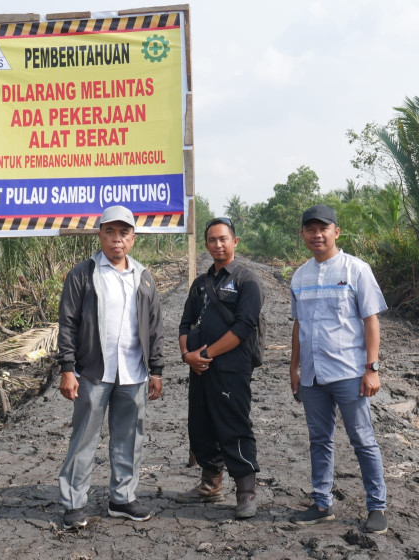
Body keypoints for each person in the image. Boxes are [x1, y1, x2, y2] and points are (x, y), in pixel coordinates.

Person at [57, 205, 164, 528]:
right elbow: (67, 323)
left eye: (124, 233)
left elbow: (155, 326)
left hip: (133, 372)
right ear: (100, 234)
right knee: (84, 438)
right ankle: (75, 503)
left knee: (130, 437)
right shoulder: (83, 274)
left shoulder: (143, 277)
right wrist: (66, 367)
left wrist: (156, 370)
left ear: (133, 238)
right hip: (93, 372)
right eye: (110, 232)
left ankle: (122, 498)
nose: (117, 239)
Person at [289, 204, 389, 534]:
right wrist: (295, 368)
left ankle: (377, 507)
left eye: (323, 228)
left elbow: (370, 321)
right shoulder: (300, 276)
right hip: (313, 375)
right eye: (310, 229)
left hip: (349, 372)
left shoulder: (357, 270)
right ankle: (321, 503)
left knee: (363, 439)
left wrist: (371, 368)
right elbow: (298, 325)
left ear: (336, 231)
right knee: (319, 439)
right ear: (303, 234)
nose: (317, 235)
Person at [176, 217, 264, 519]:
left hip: (230, 369)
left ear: (235, 242)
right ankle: (210, 484)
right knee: (200, 426)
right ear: (206, 244)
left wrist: (206, 353)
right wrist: (188, 355)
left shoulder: (246, 281)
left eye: (223, 239)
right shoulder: (200, 284)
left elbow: (244, 327)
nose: (218, 244)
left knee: (233, 427)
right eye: (212, 240)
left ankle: (246, 492)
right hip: (199, 369)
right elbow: (185, 323)